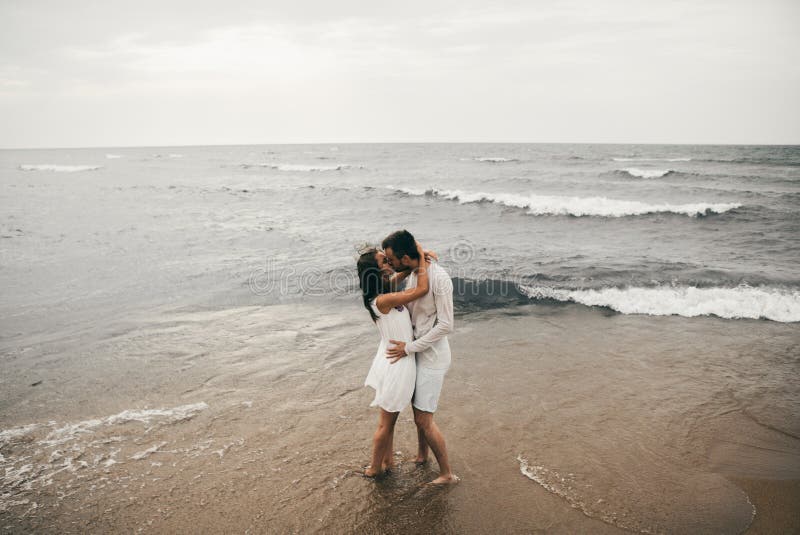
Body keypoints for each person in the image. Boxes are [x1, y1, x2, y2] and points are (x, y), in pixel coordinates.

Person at [383, 230, 459, 485]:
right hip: (416, 352)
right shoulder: (416, 274)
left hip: (432, 356)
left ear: (405, 257)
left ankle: (447, 473)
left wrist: (409, 348)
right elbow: (388, 287)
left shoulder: (438, 278)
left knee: (423, 418)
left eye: (392, 259)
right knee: (418, 411)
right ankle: (421, 455)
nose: (389, 264)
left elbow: (446, 325)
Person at [356, 241, 430, 478]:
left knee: (389, 421)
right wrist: (418, 254)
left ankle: (387, 462)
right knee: (386, 423)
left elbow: (403, 273)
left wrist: (415, 261)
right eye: (384, 261)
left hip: (394, 359)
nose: (389, 263)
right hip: (397, 364)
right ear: (374, 272)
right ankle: (374, 469)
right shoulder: (382, 300)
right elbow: (420, 291)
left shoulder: (384, 291)